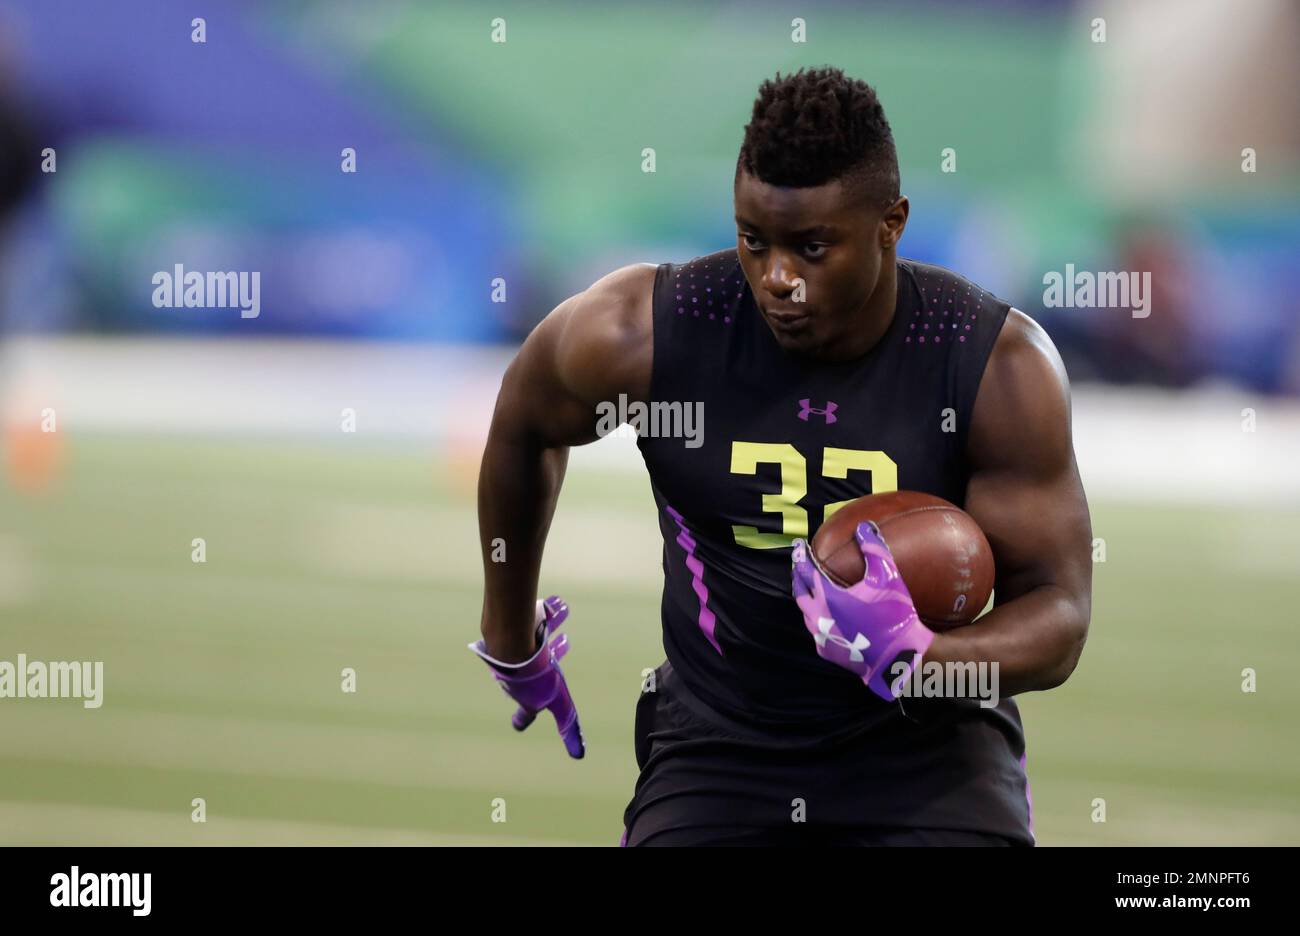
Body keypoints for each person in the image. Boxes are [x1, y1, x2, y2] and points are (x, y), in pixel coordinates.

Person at [471, 66, 1092, 846]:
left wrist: (922, 658)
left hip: (929, 756)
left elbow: (1060, 617)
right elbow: (525, 425)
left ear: (890, 224)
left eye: (812, 247)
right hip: (720, 747)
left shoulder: (989, 363)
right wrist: (508, 633)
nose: (778, 279)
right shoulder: (647, 335)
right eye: (754, 241)